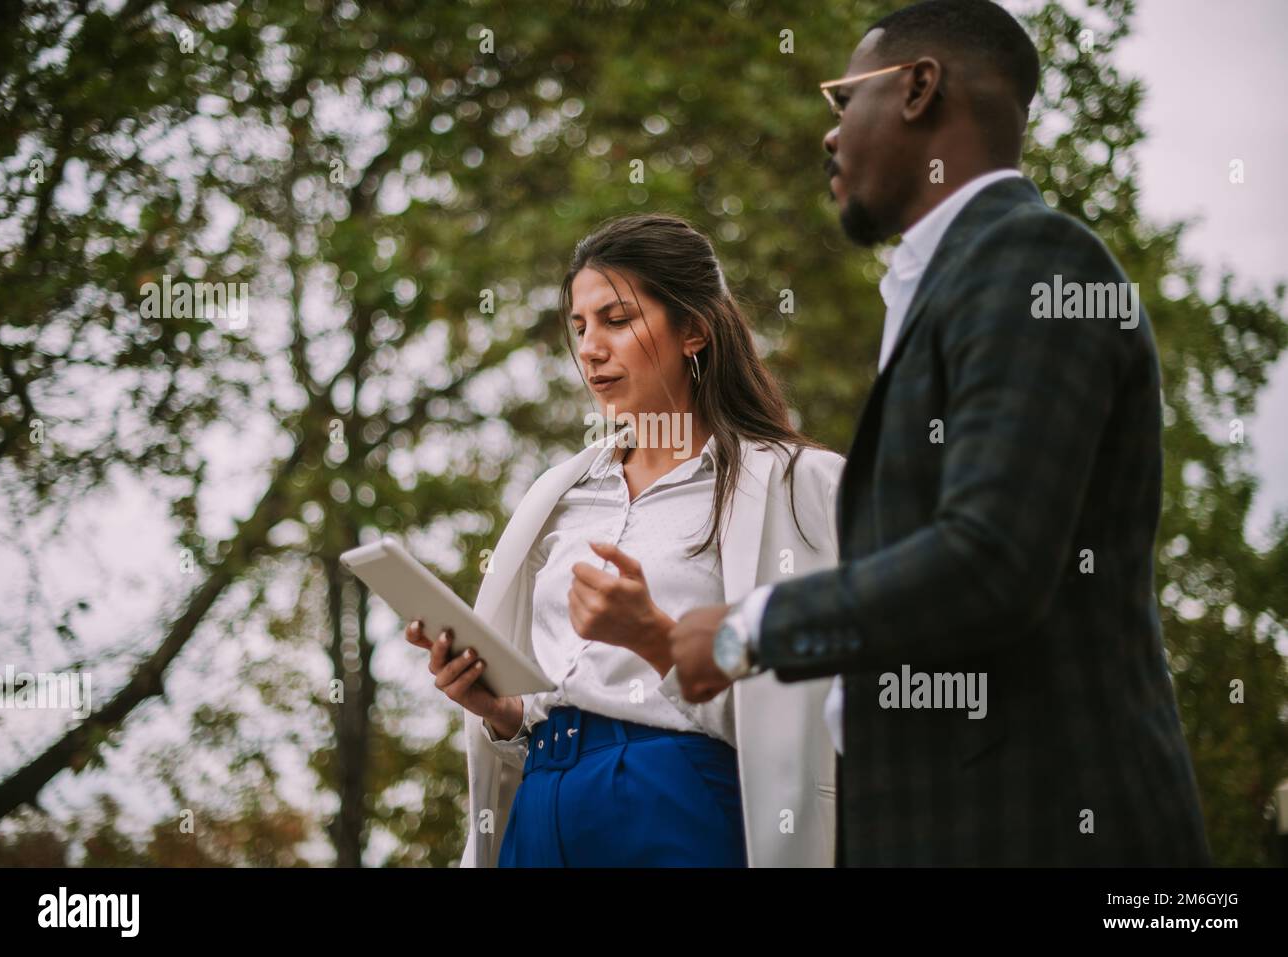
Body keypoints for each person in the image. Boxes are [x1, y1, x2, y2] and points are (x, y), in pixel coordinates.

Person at [668, 0, 1211, 866]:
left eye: (845, 100)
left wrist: (746, 629)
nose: (830, 135)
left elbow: (989, 560)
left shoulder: (1036, 262)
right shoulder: (946, 287)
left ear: (918, 88)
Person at [407, 213, 844, 866]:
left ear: (694, 329)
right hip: (543, 799)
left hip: (677, 799)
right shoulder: (559, 495)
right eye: (579, 327)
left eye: (616, 319)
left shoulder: (799, 484)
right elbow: (549, 698)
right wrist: (502, 710)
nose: (589, 346)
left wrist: (655, 638)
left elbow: (816, 706)